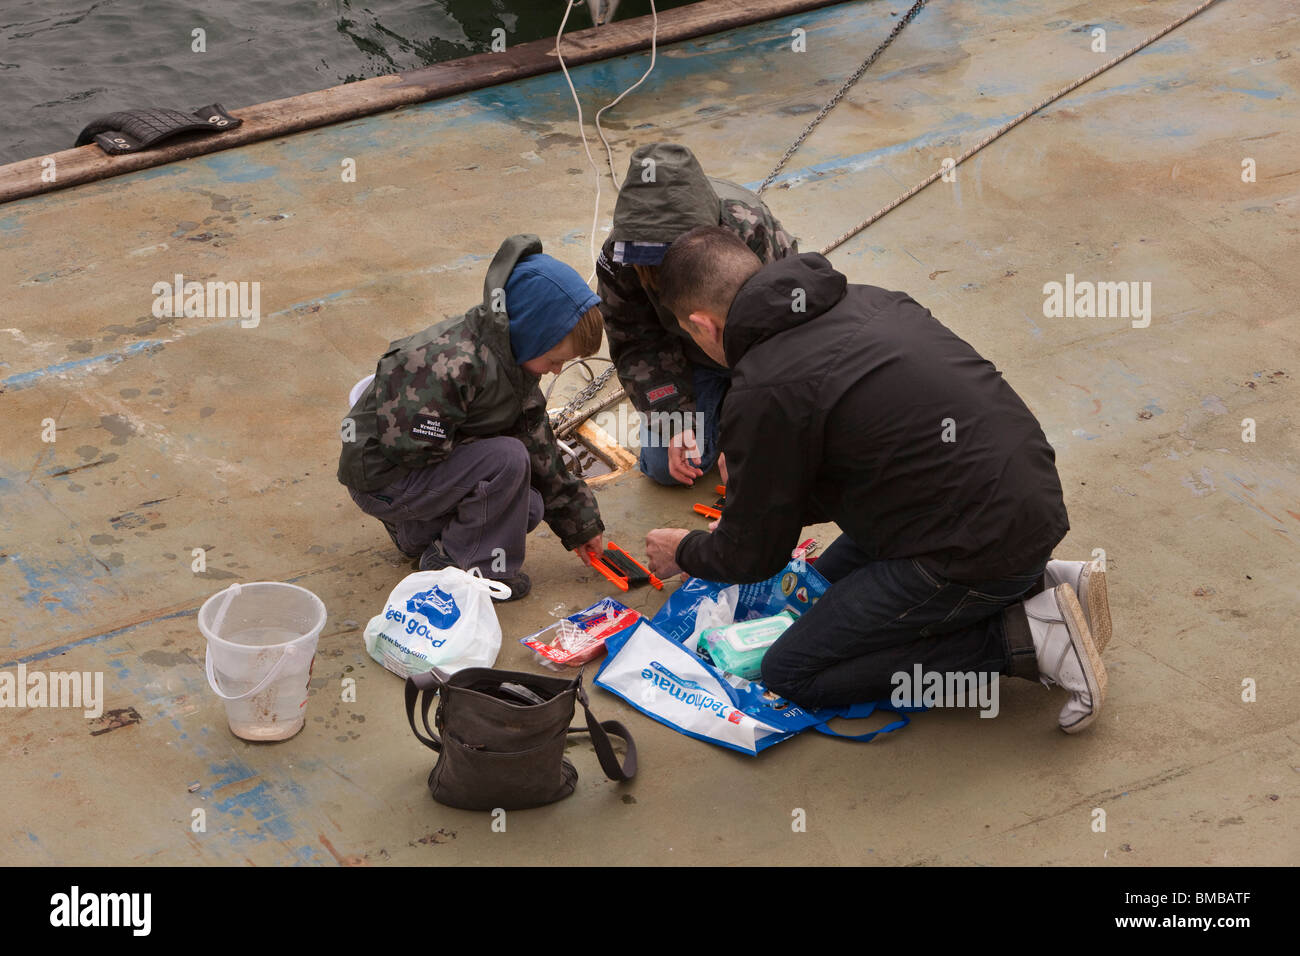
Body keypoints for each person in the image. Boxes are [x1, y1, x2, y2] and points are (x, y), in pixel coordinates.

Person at [644, 226, 1112, 733]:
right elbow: (865, 464)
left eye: (691, 336)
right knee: (822, 583)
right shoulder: (871, 300)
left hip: (976, 544)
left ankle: (1022, 638)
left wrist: (686, 550)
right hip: (1023, 498)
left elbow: (754, 558)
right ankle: (1040, 583)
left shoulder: (764, 387)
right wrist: (757, 492)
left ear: (702, 325)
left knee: (794, 669)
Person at [338, 234, 606, 601]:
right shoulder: (448, 363)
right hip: (386, 478)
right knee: (508, 459)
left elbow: (541, 451)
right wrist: (487, 440)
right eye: (554, 359)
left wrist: (581, 525)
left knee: (526, 506)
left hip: (421, 477)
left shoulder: (515, 367)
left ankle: (416, 535)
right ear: (527, 334)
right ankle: (462, 564)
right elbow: (411, 451)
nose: (557, 370)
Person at [597, 142, 797, 487]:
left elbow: (786, 337)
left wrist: (749, 427)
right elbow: (635, 343)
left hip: (762, 354)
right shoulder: (621, 253)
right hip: (691, 359)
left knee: (776, 460)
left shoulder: (749, 228)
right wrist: (673, 420)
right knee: (666, 467)